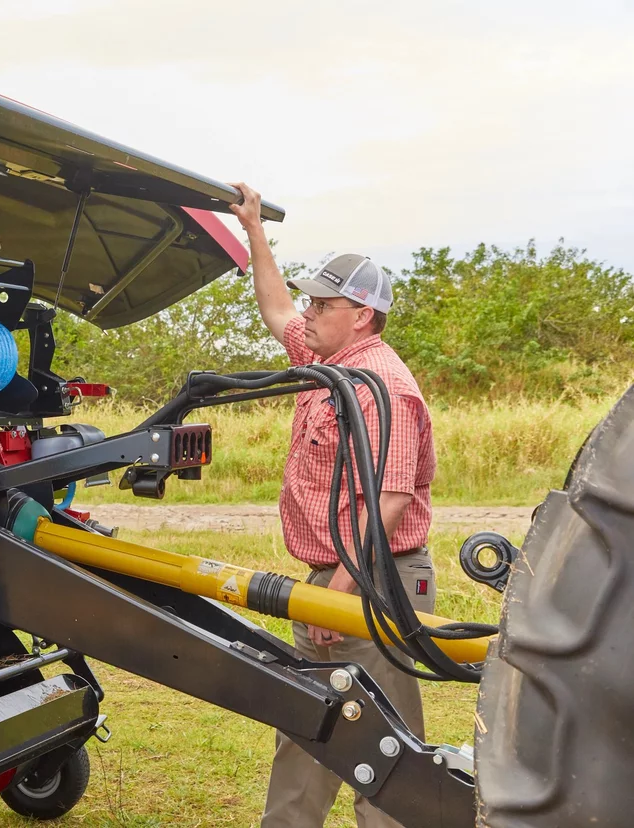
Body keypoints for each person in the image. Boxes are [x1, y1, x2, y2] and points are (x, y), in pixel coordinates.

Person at [228, 183, 438, 828]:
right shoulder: (330, 360)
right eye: (314, 302)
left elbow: (392, 497)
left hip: (374, 578)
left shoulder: (385, 387)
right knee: (306, 721)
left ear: (363, 315)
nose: (309, 313)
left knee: (380, 739)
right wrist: (255, 230)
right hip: (333, 576)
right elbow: (275, 309)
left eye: (325, 304)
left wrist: (341, 592)